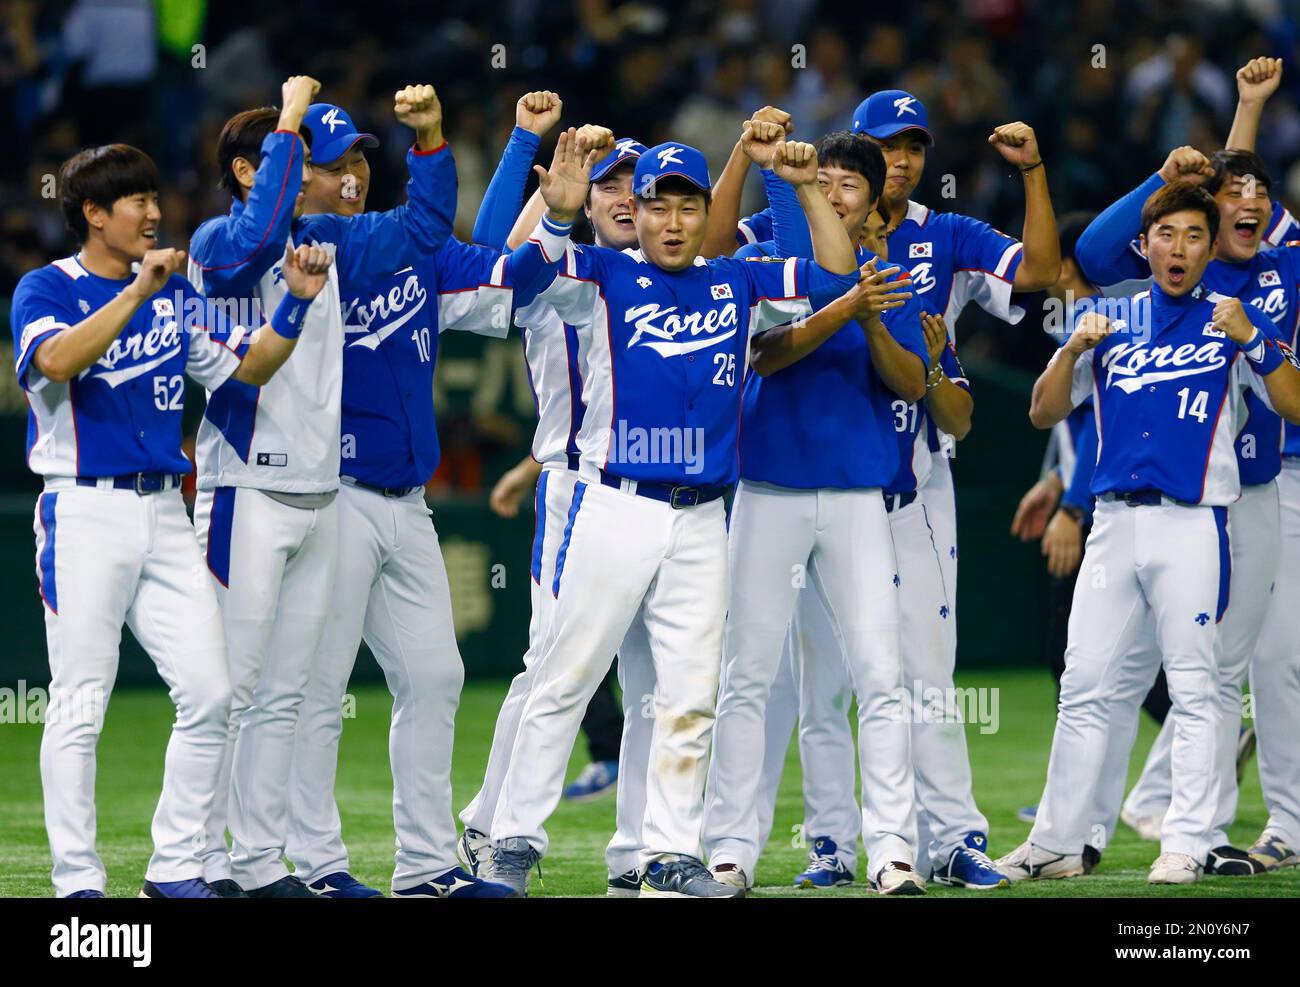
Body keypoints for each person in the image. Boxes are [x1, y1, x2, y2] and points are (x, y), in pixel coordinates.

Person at [485, 130, 860, 897]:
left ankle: (666, 851)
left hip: (700, 519)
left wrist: (798, 186)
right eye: (657, 205)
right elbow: (509, 287)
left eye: (688, 205)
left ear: (704, 211)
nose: (672, 221)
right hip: (613, 503)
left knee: (689, 694)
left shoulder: (735, 282)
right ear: (640, 213)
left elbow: (831, 276)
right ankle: (511, 838)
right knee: (566, 675)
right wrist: (555, 218)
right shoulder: (598, 273)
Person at [11, 142, 329, 898]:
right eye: (136, 201)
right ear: (94, 214)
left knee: (212, 693)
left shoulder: (176, 293)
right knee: (82, 700)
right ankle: (78, 883)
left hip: (163, 507)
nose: (155, 212)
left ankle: (177, 865)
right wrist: (134, 292)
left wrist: (297, 301)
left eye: (154, 197)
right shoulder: (45, 287)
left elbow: (247, 366)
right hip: (82, 505)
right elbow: (54, 364)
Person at [187, 76, 457, 897]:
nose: (344, 174)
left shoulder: (341, 243)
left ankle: (264, 863)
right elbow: (255, 238)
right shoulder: (217, 241)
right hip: (243, 484)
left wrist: (432, 144)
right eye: (310, 159)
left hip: (313, 490)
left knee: (281, 693)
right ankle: (194, 864)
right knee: (228, 688)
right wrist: (290, 122)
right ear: (255, 168)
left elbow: (426, 227)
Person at [999, 181, 1300, 886]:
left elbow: (1293, 404)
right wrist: (1071, 348)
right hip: (1113, 524)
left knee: (1196, 686)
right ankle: (1056, 840)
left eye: (1197, 236)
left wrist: (1256, 339)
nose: (1180, 249)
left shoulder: (1232, 318)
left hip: (1194, 524)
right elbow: (1043, 412)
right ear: (1146, 243)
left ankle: (1187, 840)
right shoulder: (1106, 316)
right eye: (1168, 234)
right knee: (1083, 684)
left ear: (1209, 247)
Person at [282, 96, 544, 898]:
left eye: (359, 159)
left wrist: (542, 184)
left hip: (405, 501)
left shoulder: (408, 246)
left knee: (434, 675)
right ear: (292, 184)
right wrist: (441, 141)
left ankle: (426, 865)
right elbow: (428, 224)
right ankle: (318, 864)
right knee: (320, 688)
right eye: (331, 165)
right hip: (330, 497)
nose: (350, 175)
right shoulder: (297, 247)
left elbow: (497, 260)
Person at [455, 103, 661, 896]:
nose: (620, 194)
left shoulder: (667, 274)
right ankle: (487, 825)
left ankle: (639, 849)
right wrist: (534, 157)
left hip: (665, 500)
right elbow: (493, 253)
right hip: (578, 491)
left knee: (654, 679)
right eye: (606, 181)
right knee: (552, 666)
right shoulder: (556, 268)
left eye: (633, 185)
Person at [1008, 212, 1172, 849]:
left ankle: (1148, 811)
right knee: (1103, 667)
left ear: (1081, 268)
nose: (1051, 280)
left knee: (1097, 662)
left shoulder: (1118, 323)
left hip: (1116, 512)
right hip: (1099, 506)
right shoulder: (1084, 331)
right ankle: (1070, 819)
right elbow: (1064, 420)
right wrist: (1052, 483)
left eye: (1060, 268)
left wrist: (1072, 511)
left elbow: (1105, 434)